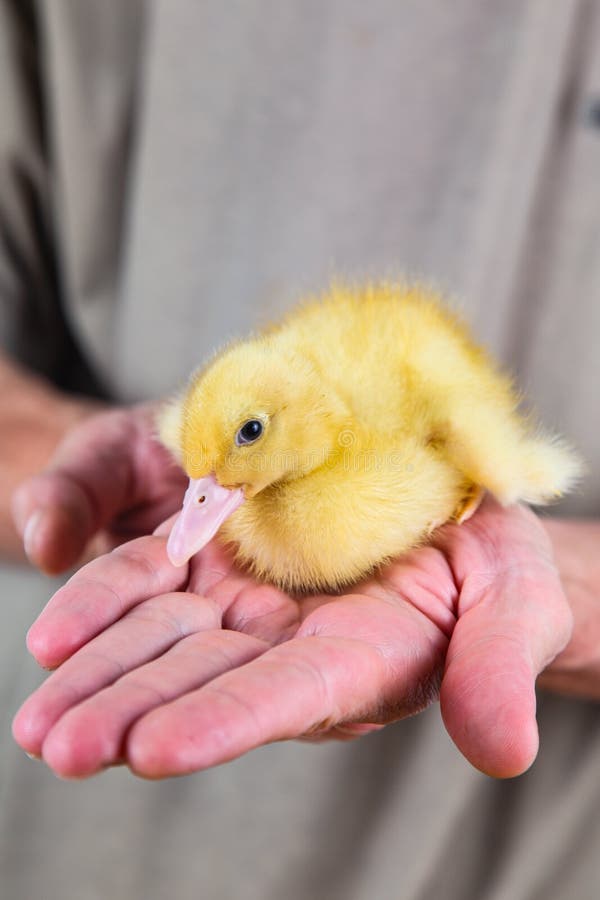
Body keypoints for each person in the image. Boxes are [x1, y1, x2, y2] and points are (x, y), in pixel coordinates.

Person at [1, 2, 600, 898]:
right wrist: (48, 459)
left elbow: (488, 439)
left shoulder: (393, 412)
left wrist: (574, 595)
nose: (200, 501)